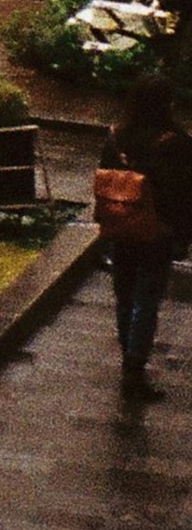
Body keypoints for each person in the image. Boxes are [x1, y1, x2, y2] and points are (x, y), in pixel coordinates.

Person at [101, 78, 190, 396]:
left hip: (121, 226)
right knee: (146, 300)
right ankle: (134, 368)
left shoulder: (115, 137)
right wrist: (182, 235)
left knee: (124, 297)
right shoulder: (176, 143)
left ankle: (129, 354)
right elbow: (183, 195)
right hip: (158, 231)